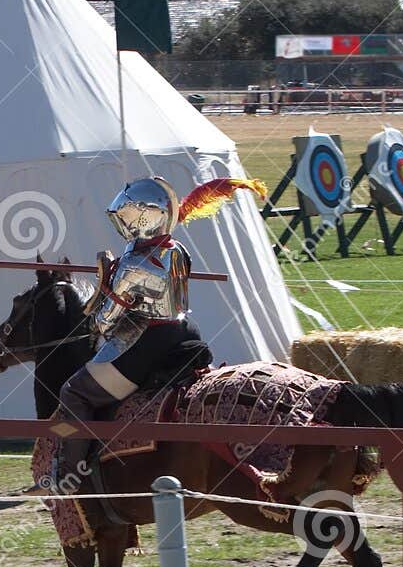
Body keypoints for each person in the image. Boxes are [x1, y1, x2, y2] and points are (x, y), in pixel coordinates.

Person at [30, 175, 263, 495]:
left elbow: (104, 323)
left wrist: (104, 285)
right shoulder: (175, 249)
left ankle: (68, 478)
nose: (122, 222)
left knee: (75, 392)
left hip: (146, 341)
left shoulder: (133, 264)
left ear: (144, 217)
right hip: (183, 331)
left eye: (126, 216)